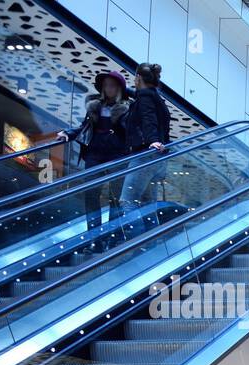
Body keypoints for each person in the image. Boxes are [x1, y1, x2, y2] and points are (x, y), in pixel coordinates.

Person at [57, 70, 131, 238]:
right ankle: (94, 236)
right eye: (105, 85)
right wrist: (68, 133)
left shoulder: (127, 108)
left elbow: (133, 132)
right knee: (90, 195)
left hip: (117, 156)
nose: (108, 88)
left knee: (115, 198)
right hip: (94, 155)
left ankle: (113, 236)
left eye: (112, 85)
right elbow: (84, 127)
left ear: (119, 88)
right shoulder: (96, 106)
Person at [117, 63, 171, 239]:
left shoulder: (146, 98)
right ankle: (152, 246)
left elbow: (149, 120)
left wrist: (152, 140)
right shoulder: (156, 98)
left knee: (127, 201)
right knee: (148, 205)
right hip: (157, 158)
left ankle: (139, 243)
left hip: (145, 156)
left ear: (138, 78)